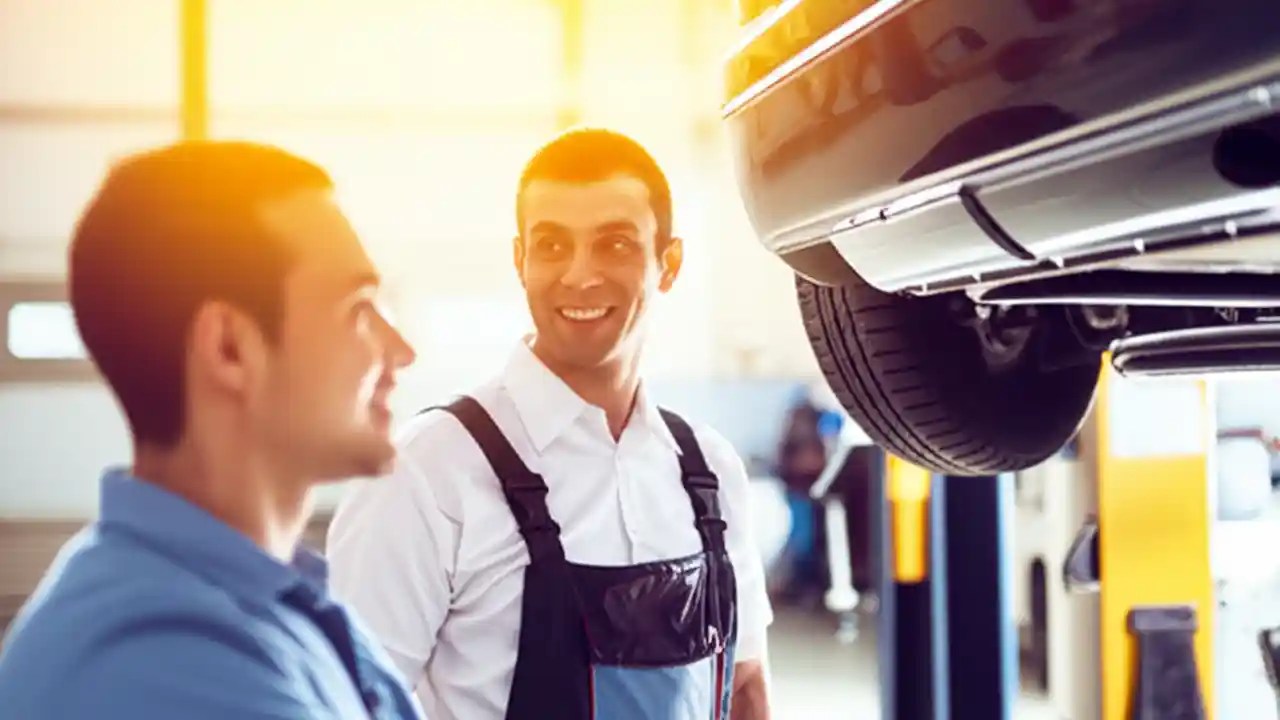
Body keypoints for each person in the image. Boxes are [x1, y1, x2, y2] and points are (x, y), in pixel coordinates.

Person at [326, 128, 775, 719]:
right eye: (553, 246)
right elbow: (341, 706)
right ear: (520, 261)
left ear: (669, 263)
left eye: (614, 244)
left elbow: (744, 687)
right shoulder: (427, 475)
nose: (579, 276)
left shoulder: (711, 473)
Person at [0, 141, 423, 719]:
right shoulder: (159, 661)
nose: (401, 352)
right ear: (229, 350)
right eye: (358, 309)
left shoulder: (285, 604)